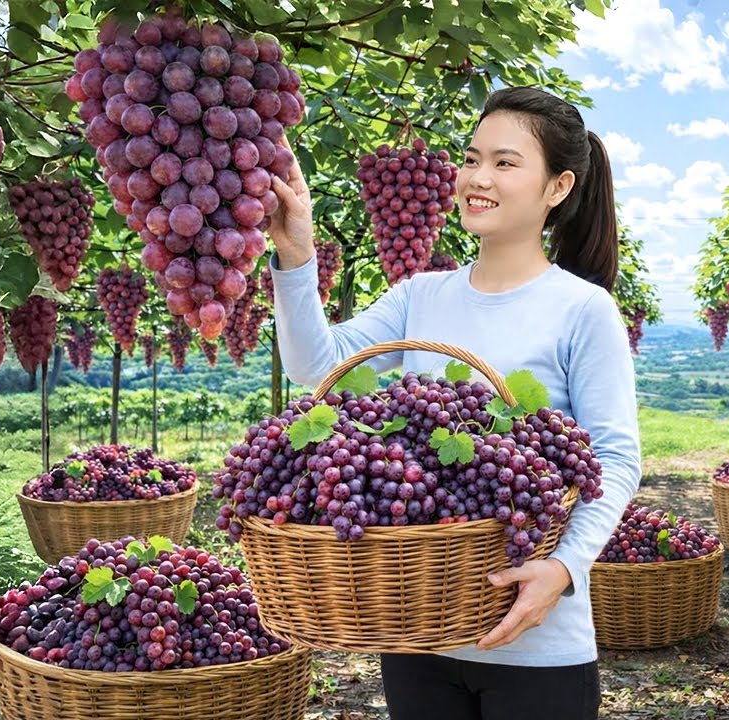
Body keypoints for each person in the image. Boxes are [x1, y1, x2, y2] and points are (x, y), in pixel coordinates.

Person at [264, 86, 641, 719]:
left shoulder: (583, 308)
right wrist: (296, 254)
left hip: (536, 644)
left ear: (557, 187)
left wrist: (565, 570)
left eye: (505, 162)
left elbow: (616, 458)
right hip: (419, 629)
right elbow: (319, 369)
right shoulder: (420, 295)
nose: (477, 178)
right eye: (470, 159)